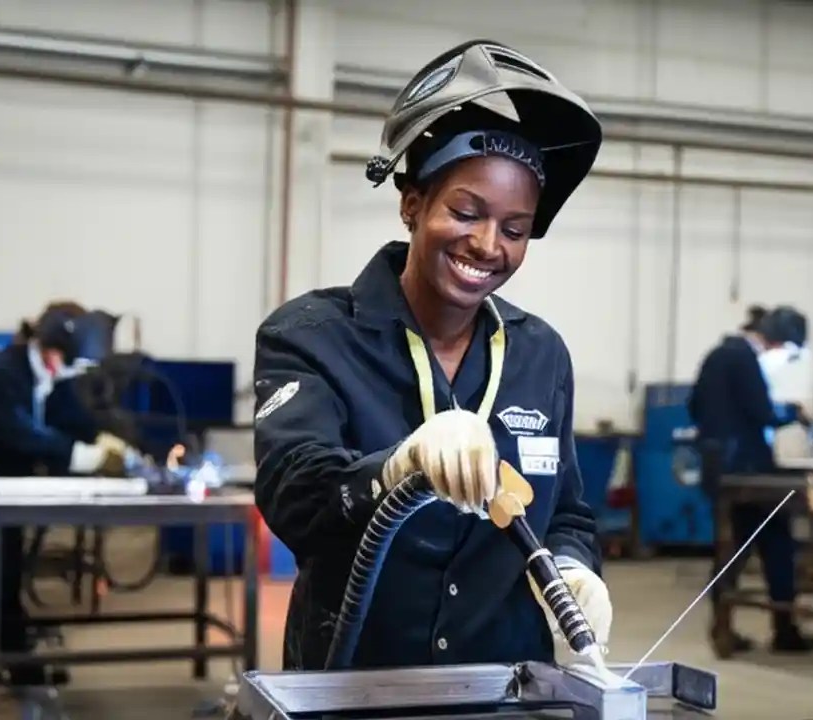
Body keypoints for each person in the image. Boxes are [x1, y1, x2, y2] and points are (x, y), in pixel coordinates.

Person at [253, 40, 611, 671]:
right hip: (354, 686)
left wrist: (574, 568)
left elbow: (569, 512)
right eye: (466, 212)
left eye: (514, 228)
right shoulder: (312, 335)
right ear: (412, 204)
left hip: (504, 688)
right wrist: (396, 468)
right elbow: (293, 495)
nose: (487, 244)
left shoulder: (540, 355)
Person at [0, 301, 134, 687]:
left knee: (1, 582)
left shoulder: (52, 375)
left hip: (11, 497)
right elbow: (20, 432)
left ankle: (5, 660)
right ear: (49, 348)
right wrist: (77, 454)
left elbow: (76, 421)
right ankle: (0, 667)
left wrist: (118, 440)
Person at [688, 305, 813, 654]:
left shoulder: (718, 355)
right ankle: (781, 629)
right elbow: (762, 412)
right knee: (773, 543)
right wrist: (794, 413)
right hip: (745, 472)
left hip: (722, 468)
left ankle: (729, 628)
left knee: (738, 547)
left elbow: (694, 405)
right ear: (776, 339)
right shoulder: (743, 358)